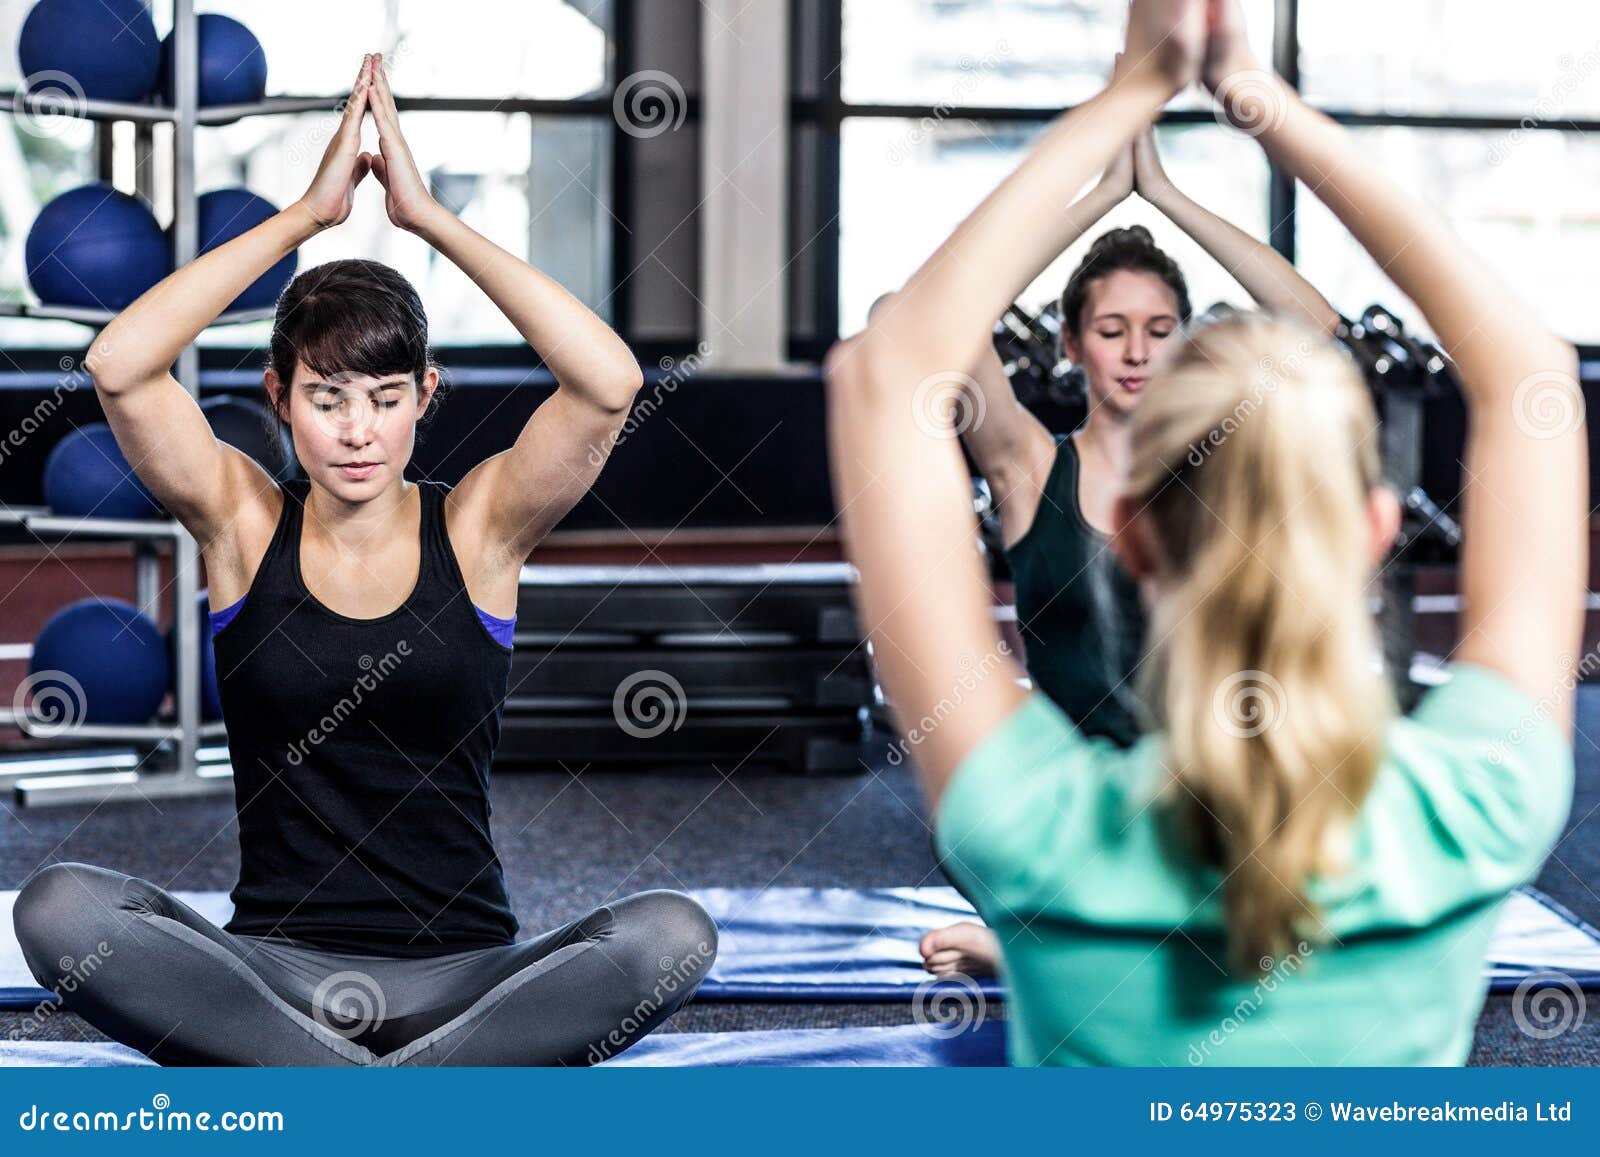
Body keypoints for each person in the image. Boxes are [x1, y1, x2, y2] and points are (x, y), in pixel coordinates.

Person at [827, 0, 1582, 1065]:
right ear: (1375, 530)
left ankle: (1025, 957)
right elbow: (1530, 374)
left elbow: (885, 371)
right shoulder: (1476, 804)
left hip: (1054, 892)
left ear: (1132, 537)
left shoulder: (1033, 827)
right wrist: (1255, 99)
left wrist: (1131, 91)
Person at [12, 54, 716, 1067]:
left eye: (386, 397)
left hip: (468, 977)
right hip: (270, 977)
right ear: (280, 397)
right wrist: (305, 216)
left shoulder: (479, 525)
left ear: (425, 396)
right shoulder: (243, 524)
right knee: (60, 907)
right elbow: (121, 362)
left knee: (670, 935)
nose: (357, 429)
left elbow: (608, 383)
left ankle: (332, 1095)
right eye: (327, 396)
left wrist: (426, 218)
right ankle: (398, 1098)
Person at [919, 127, 1339, 981]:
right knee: (968, 821)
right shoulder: (1028, 466)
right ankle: (1101, 934)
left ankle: (1059, 945)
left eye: (1160, 328)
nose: (1139, 352)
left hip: (1203, 794)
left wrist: (1170, 198)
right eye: (1111, 329)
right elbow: (948, 305)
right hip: (1070, 802)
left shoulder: (1220, 459)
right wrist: (1102, 199)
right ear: (1071, 344)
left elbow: (1316, 331)